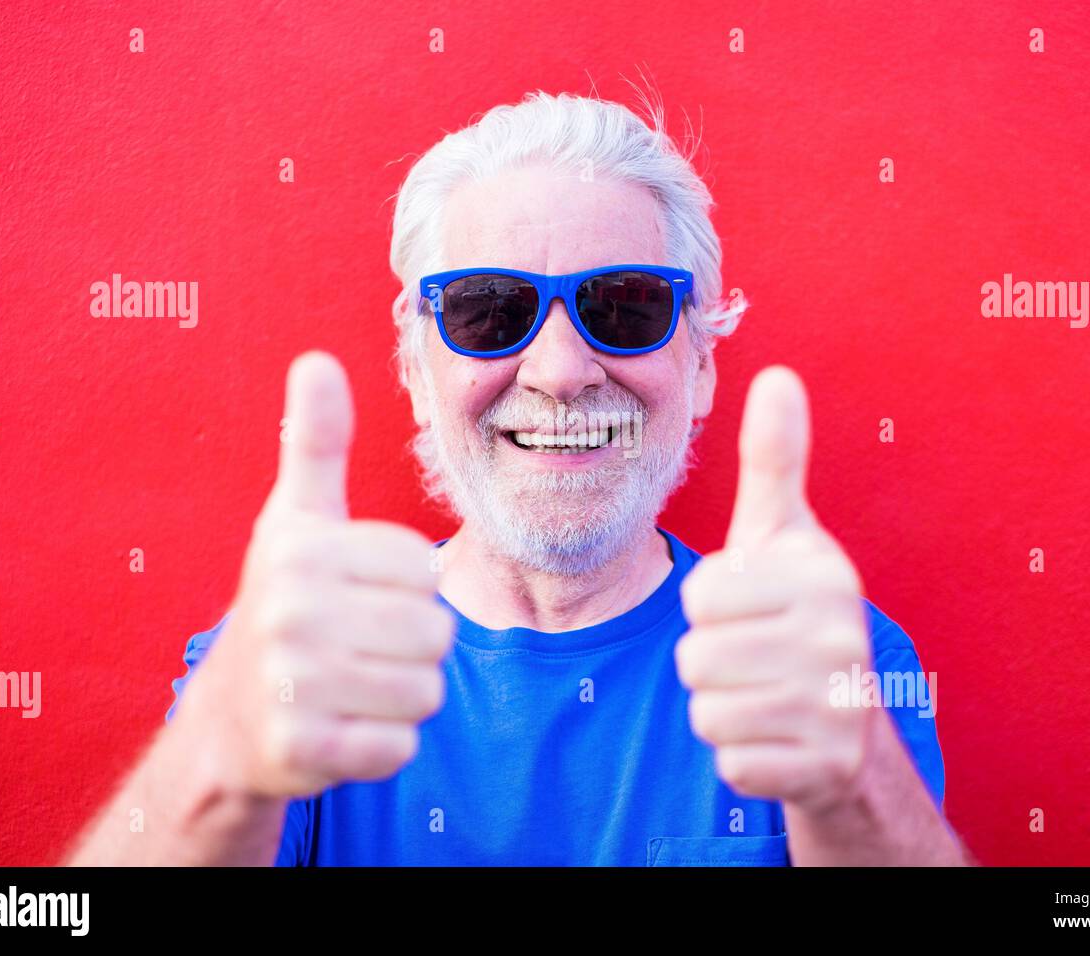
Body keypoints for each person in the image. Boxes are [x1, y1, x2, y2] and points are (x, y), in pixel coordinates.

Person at [65, 90, 966, 866]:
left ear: (699, 366)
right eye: (489, 311)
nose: (560, 371)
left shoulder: (823, 657)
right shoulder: (298, 659)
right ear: (417, 370)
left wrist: (857, 793)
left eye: (625, 306)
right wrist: (215, 772)